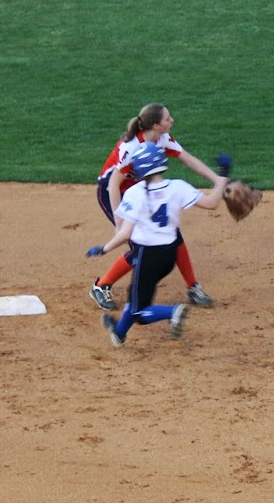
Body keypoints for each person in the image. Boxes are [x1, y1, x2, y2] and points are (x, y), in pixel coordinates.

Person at [86, 143, 229, 347]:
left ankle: (172, 312)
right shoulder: (178, 186)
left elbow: (126, 232)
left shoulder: (135, 193)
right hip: (169, 256)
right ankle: (118, 333)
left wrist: (104, 248)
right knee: (136, 296)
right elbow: (212, 202)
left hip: (147, 257)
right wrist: (223, 174)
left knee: (140, 312)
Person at [89, 103, 228, 311]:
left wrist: (216, 178)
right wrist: (119, 223)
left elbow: (188, 159)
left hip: (142, 189)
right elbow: (113, 184)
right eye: (167, 119)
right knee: (139, 247)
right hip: (114, 193)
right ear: (156, 125)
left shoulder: (162, 139)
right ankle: (101, 286)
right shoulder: (131, 147)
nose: (172, 121)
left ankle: (193, 287)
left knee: (172, 233)